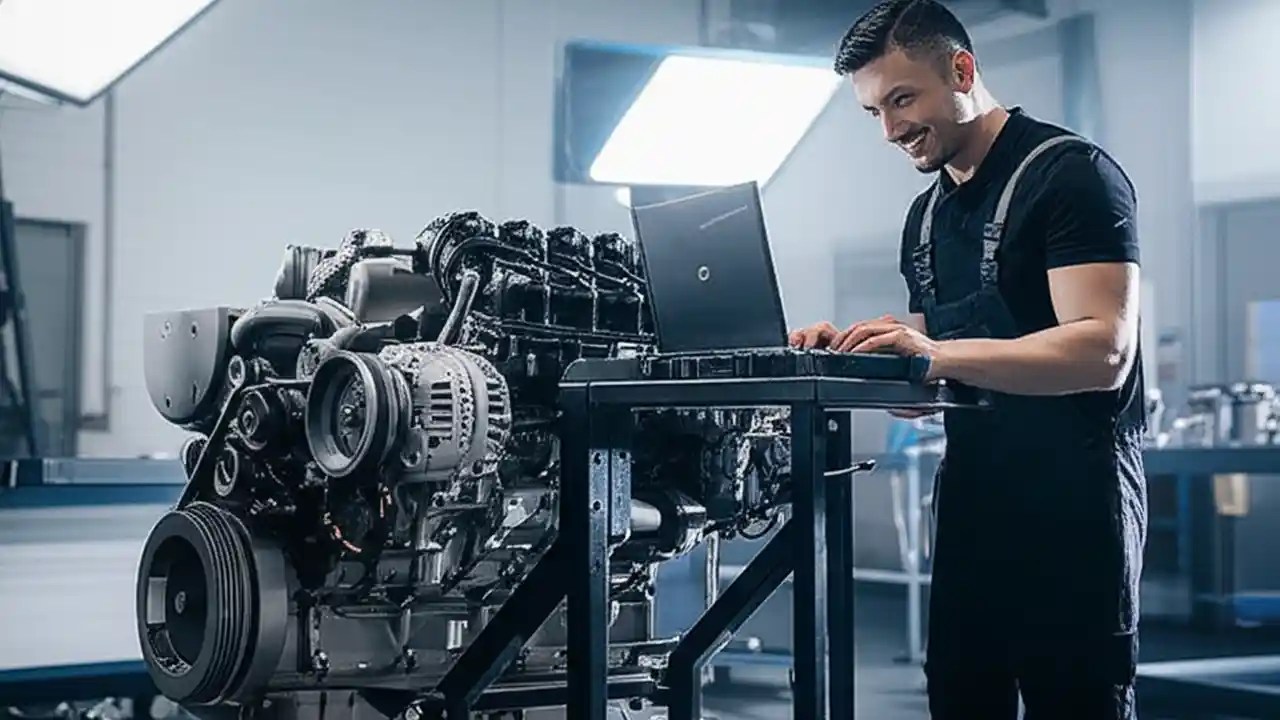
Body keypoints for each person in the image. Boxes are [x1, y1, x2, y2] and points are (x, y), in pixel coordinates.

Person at [789, 1, 1147, 718]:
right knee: (960, 696)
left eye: (902, 99)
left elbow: (1103, 349)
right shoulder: (925, 217)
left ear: (961, 70)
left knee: (1076, 701)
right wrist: (851, 360)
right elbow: (927, 383)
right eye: (874, 112)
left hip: (1076, 503)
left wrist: (934, 353)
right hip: (974, 500)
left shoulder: (1072, 176)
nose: (890, 130)